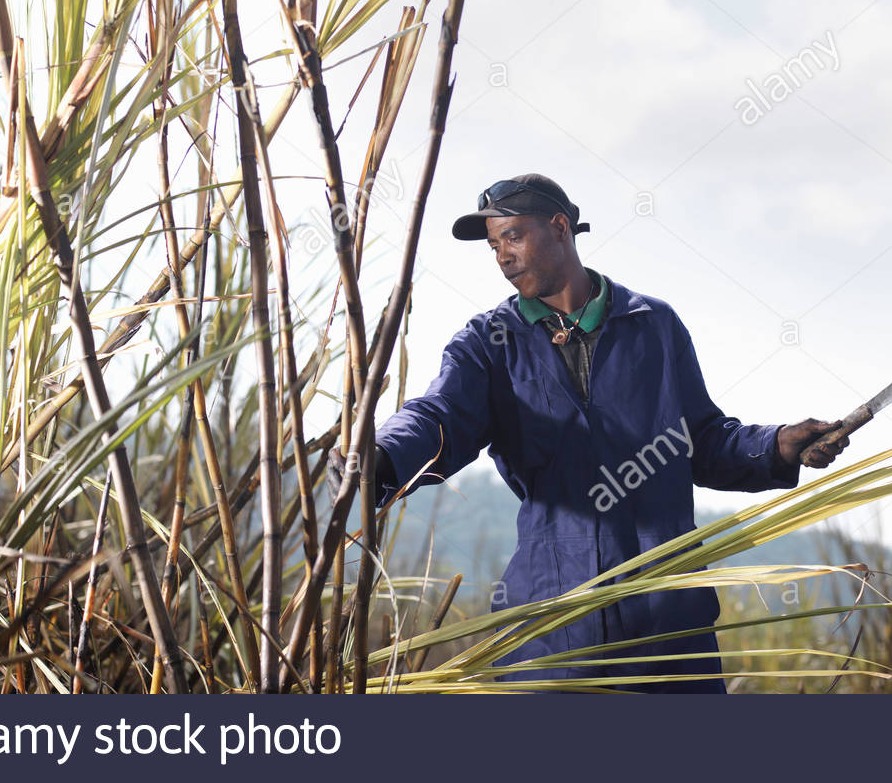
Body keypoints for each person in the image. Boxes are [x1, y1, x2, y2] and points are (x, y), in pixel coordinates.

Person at [332, 174, 848, 692]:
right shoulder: (490, 342)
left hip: (666, 632)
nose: (502, 257)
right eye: (493, 246)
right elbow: (439, 414)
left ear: (559, 227)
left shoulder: (653, 325)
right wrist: (381, 453)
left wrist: (776, 444)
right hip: (551, 634)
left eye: (512, 236)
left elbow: (702, 439)